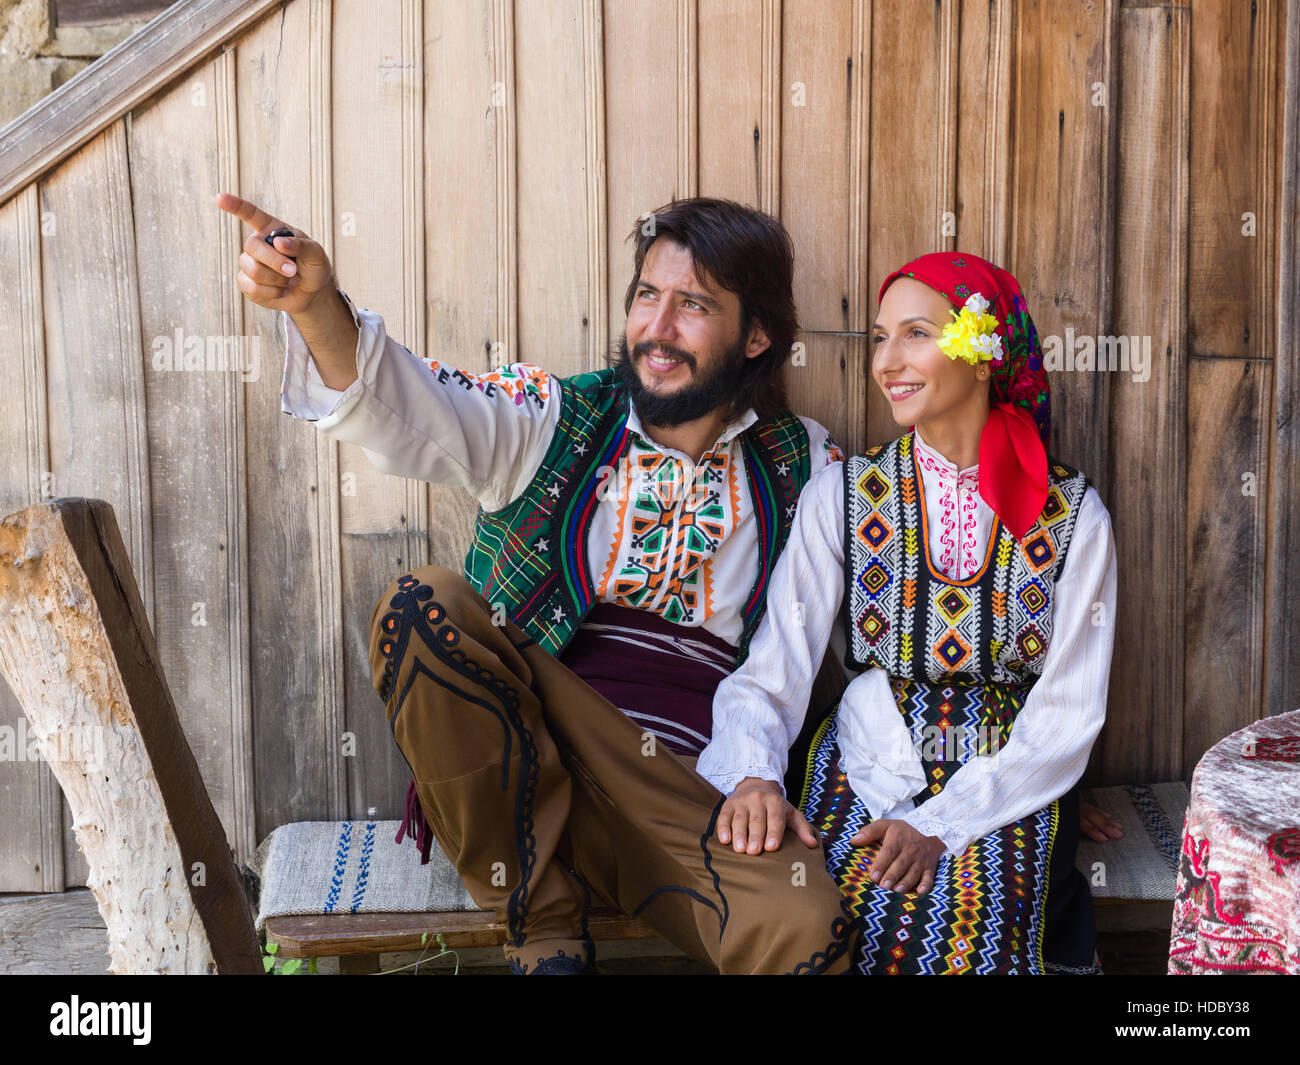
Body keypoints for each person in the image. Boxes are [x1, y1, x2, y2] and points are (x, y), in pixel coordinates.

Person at [216, 191, 858, 974]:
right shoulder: (552, 416)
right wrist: (317, 308)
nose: (656, 328)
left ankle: (623, 880)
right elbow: (411, 407)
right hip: (526, 769)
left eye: (693, 306)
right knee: (426, 605)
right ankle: (542, 922)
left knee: (807, 926)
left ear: (756, 335)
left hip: (685, 800)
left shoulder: (810, 467)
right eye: (647, 296)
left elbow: (866, 648)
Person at [698, 252, 1117, 974]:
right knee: (832, 913)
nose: (887, 360)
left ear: (984, 356)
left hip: (1005, 767)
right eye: (880, 337)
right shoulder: (844, 496)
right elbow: (778, 665)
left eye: (915, 334)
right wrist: (754, 774)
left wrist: (940, 825)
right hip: (869, 745)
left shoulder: (1075, 515)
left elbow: (1066, 715)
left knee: (972, 919)